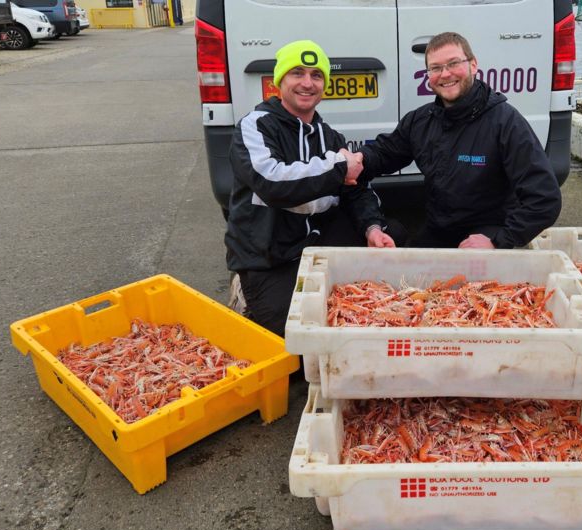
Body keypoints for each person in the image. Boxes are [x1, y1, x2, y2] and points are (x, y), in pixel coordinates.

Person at [225, 39, 404, 337]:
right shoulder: (255, 126)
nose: (307, 83)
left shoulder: (330, 136)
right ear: (280, 80)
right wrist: (338, 168)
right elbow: (271, 183)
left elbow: (356, 190)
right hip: (270, 256)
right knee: (296, 342)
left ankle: (329, 272)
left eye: (317, 75)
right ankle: (244, 290)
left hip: (318, 241)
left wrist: (372, 227)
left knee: (392, 237)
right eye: (297, 73)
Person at [355, 32, 561, 249]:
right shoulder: (421, 120)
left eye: (453, 63)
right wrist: (357, 159)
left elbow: (545, 200)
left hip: (488, 234)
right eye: (435, 68)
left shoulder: (506, 122)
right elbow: (385, 153)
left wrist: (498, 240)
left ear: (473, 65)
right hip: (439, 232)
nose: (445, 74)